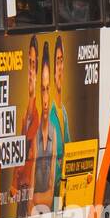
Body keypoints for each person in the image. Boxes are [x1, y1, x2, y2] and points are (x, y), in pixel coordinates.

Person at [13, 35, 40, 218]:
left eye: (33, 64)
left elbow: (36, 162)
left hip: (30, 202)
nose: (31, 71)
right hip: (20, 199)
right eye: (28, 64)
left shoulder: (38, 120)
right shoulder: (24, 117)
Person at [33, 42, 57, 212]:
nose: (46, 98)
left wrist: (35, 198)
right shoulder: (33, 132)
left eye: (48, 89)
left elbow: (49, 196)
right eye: (43, 90)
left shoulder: (54, 134)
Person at [51, 34, 72, 198]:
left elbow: (69, 153)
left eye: (61, 61)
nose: (59, 67)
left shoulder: (63, 112)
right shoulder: (48, 114)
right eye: (56, 62)